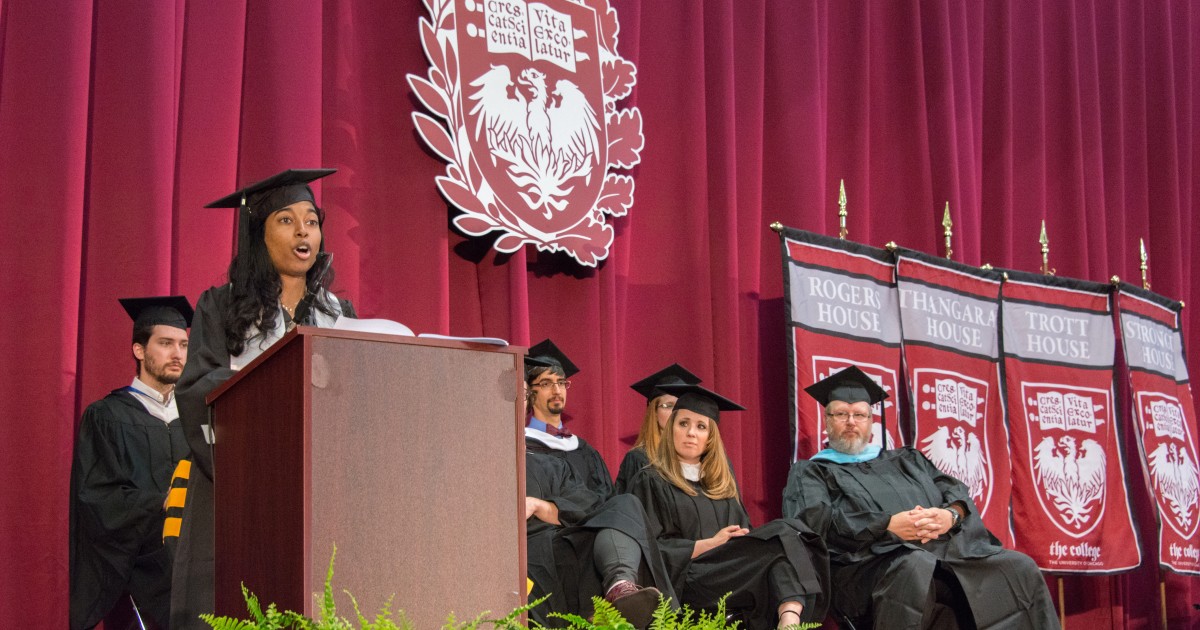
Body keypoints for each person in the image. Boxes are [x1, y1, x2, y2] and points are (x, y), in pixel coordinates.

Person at [171, 169, 357, 629]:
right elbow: (197, 388)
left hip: (323, 492)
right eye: (286, 221)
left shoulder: (339, 315)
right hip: (237, 490)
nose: (303, 232)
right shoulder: (221, 305)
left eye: (312, 221)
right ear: (259, 233)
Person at [782, 366, 1058, 629]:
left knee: (1018, 566)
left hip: (943, 554)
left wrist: (949, 516)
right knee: (915, 567)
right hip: (871, 566)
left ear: (871, 421)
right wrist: (886, 525)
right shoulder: (812, 472)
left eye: (860, 415)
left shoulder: (907, 459)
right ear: (827, 421)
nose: (851, 422)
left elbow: (956, 492)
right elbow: (812, 522)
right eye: (841, 414)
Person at [627, 384, 829, 630]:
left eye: (701, 426)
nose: (691, 432)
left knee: (785, 543)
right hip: (687, 581)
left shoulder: (722, 484)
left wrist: (738, 543)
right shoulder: (651, 480)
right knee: (784, 534)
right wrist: (706, 545)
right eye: (683, 423)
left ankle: (789, 620)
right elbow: (645, 550)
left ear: (710, 438)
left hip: (727, 574)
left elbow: (746, 537)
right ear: (670, 430)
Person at [69, 295, 193, 630]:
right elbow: (97, 498)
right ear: (139, 350)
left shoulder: (198, 418)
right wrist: (162, 502)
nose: (177, 354)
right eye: (165, 343)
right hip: (135, 575)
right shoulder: (107, 416)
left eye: (183, 344)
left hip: (194, 574)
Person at [524, 339, 613, 501]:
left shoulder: (585, 451)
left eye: (561, 382)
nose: (557, 390)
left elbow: (606, 498)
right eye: (546, 383)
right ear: (529, 391)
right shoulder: (523, 448)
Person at [614, 363, 702, 494]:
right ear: (654, 411)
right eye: (668, 405)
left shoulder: (706, 459)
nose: (675, 412)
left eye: (681, 405)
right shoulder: (639, 459)